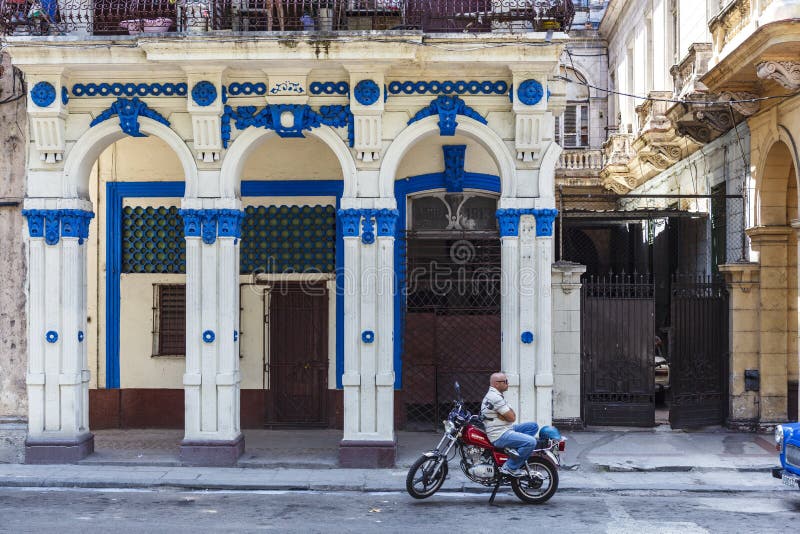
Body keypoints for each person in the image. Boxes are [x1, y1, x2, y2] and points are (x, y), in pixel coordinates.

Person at [481, 372, 539, 477]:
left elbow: (511, 416)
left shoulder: (496, 395)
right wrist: (506, 416)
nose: (508, 383)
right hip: (499, 435)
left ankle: (516, 452)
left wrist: (505, 416)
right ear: (496, 384)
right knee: (531, 442)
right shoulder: (495, 398)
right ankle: (510, 467)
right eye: (505, 381)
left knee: (533, 426)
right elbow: (512, 417)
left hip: (506, 428)